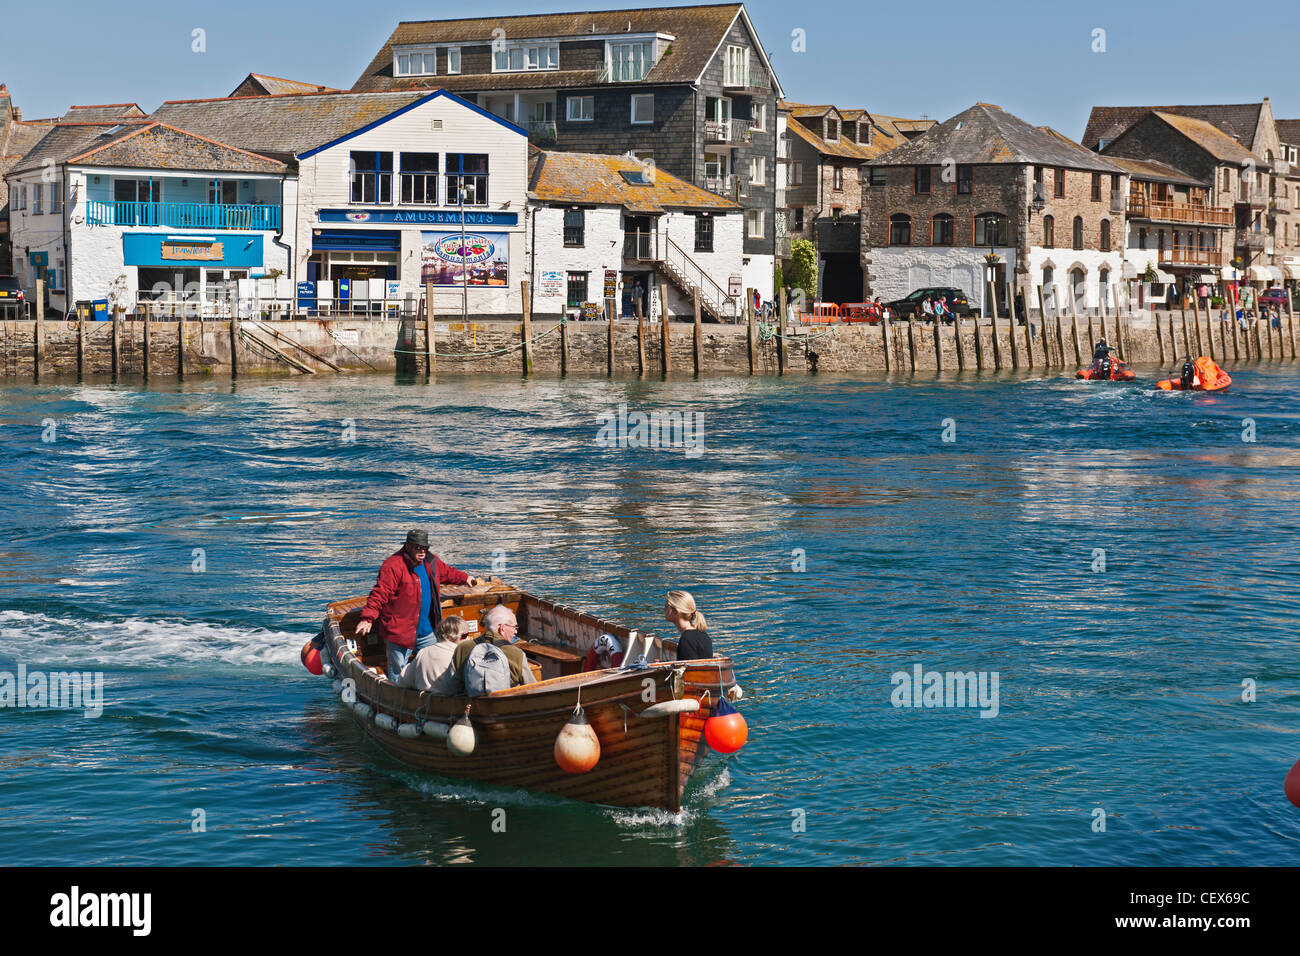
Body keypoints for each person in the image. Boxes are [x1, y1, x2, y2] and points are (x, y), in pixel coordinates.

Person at [355, 530, 480, 680]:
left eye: (424, 547)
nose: (422, 551)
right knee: (398, 673)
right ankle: (397, 699)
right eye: (417, 547)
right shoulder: (393, 565)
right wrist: (367, 618)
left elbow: (447, 573)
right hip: (399, 633)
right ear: (407, 546)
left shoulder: (430, 561)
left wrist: (465, 578)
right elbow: (380, 593)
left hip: (427, 632)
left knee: (433, 666)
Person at [451, 604, 536, 694]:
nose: (516, 631)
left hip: (471, 706)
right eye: (514, 627)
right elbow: (533, 689)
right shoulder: (517, 654)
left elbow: (449, 689)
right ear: (502, 628)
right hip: (503, 705)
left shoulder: (462, 648)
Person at [396, 615, 470, 695]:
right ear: (450, 637)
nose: (468, 638)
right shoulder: (459, 656)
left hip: (425, 702)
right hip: (452, 703)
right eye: (464, 636)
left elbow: (402, 681)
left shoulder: (423, 652)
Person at [664, 590, 712, 660]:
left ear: (676, 611)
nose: (664, 609)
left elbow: (687, 669)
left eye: (666, 606)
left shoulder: (686, 639)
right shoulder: (704, 635)